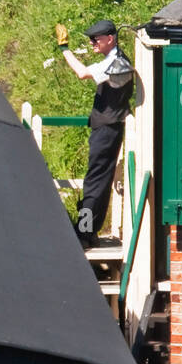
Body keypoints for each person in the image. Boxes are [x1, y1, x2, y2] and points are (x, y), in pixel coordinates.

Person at [56, 18, 134, 248]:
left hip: (107, 128)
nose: (92, 43)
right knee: (99, 181)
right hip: (108, 126)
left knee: (94, 182)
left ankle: (84, 231)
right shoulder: (116, 60)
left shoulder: (116, 63)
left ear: (110, 38)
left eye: (95, 39)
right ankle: (89, 231)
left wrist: (64, 49)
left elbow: (81, 73)